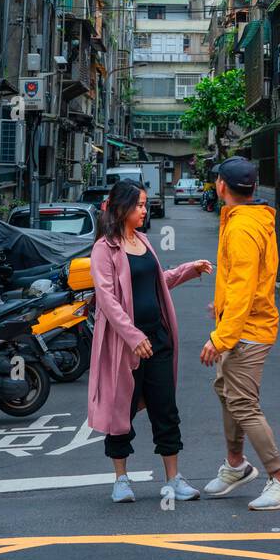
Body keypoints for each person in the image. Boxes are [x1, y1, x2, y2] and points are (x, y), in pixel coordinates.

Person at [88, 179, 212, 504]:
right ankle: (121, 480)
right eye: (140, 205)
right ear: (122, 207)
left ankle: (174, 479)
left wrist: (189, 269)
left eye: (145, 204)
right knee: (121, 412)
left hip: (157, 338)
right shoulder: (105, 248)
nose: (145, 210)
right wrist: (132, 335)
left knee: (165, 408)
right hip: (123, 345)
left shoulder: (143, 241)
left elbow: (159, 281)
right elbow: (107, 298)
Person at [200, 157, 280, 511]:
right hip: (243, 323)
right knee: (227, 392)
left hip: (247, 331)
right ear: (253, 188)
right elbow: (248, 280)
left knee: (243, 403)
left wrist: (221, 337)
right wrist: (222, 307)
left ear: (222, 186)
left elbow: (243, 287)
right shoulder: (248, 219)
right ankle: (236, 465)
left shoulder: (242, 227)